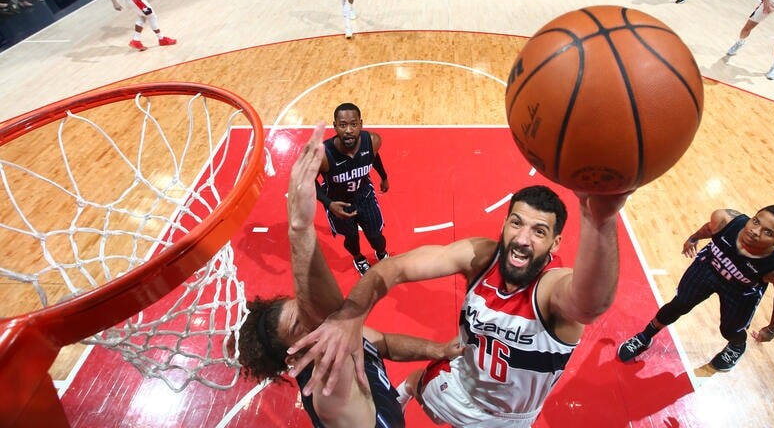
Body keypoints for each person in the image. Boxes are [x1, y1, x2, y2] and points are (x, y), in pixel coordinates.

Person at [288, 185, 631, 427]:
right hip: (460, 381)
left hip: (504, 419)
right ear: (504, 223)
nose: (523, 239)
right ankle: (406, 392)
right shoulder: (482, 257)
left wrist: (600, 222)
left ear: (555, 243)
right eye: (516, 223)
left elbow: (590, 305)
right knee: (420, 378)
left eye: (539, 232)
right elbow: (396, 267)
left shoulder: (551, 289)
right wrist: (351, 315)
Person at [238, 123, 461, 428]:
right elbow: (327, 311)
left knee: (409, 383)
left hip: (383, 408)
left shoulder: (340, 338)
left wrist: (438, 349)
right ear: (293, 358)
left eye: (298, 308)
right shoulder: (328, 393)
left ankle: (405, 391)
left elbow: (382, 344)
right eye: (299, 322)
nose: (308, 313)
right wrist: (300, 231)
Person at [617, 197, 774, 371]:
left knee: (729, 330)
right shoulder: (725, 219)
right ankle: (645, 336)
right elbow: (710, 228)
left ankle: (737, 346)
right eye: (756, 221)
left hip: (740, 291)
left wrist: (772, 329)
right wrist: (694, 237)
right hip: (707, 269)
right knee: (677, 305)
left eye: (768, 232)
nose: (755, 231)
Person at [316, 103, 390, 275]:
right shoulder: (322, 155)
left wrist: (384, 177)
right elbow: (309, 182)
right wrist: (329, 204)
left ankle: (381, 254)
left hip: (365, 196)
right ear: (335, 126)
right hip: (338, 202)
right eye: (342, 125)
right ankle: (358, 258)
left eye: (353, 124)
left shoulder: (372, 141)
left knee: (376, 236)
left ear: (361, 124)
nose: (348, 130)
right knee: (351, 238)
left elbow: (374, 156)